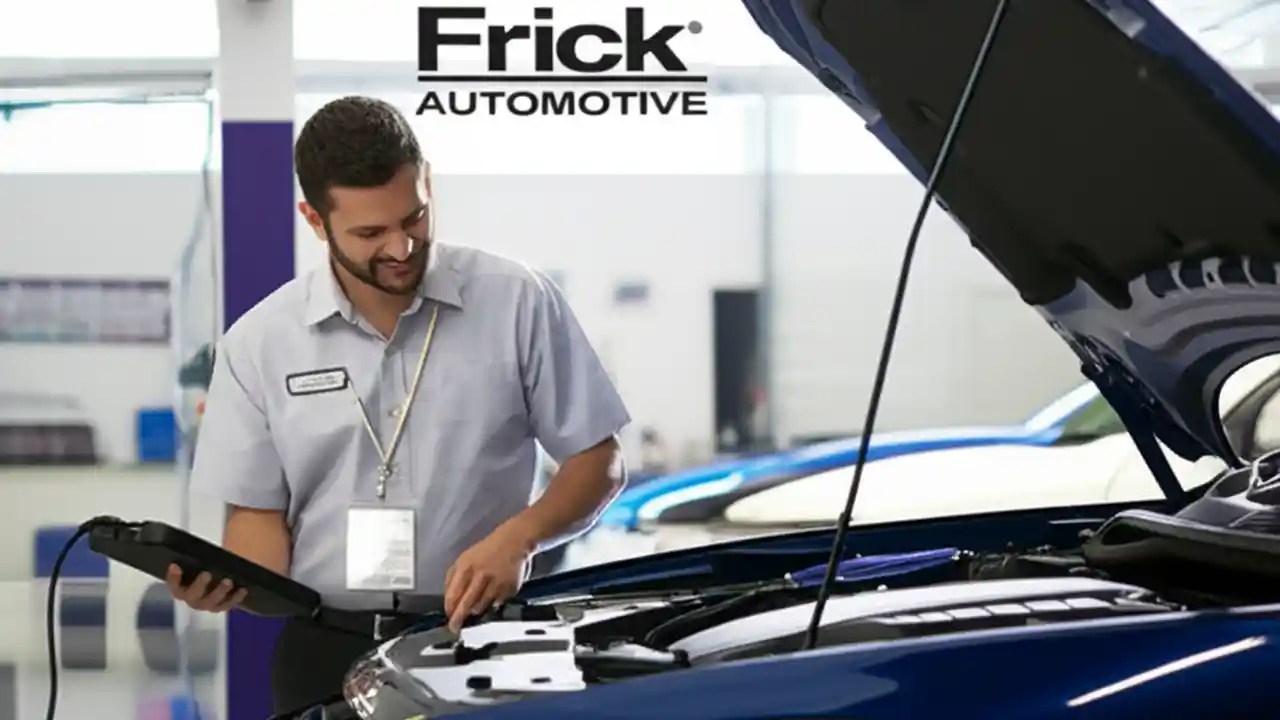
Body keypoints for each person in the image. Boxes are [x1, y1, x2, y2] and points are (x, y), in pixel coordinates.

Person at [168, 95, 631, 713]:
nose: (401, 247)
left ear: (427, 183)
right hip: (325, 651)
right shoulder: (259, 343)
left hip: (483, 639)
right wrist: (228, 582)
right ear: (315, 220)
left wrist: (520, 538)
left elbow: (598, 462)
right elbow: (257, 524)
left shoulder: (517, 301)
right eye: (370, 233)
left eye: (413, 218)